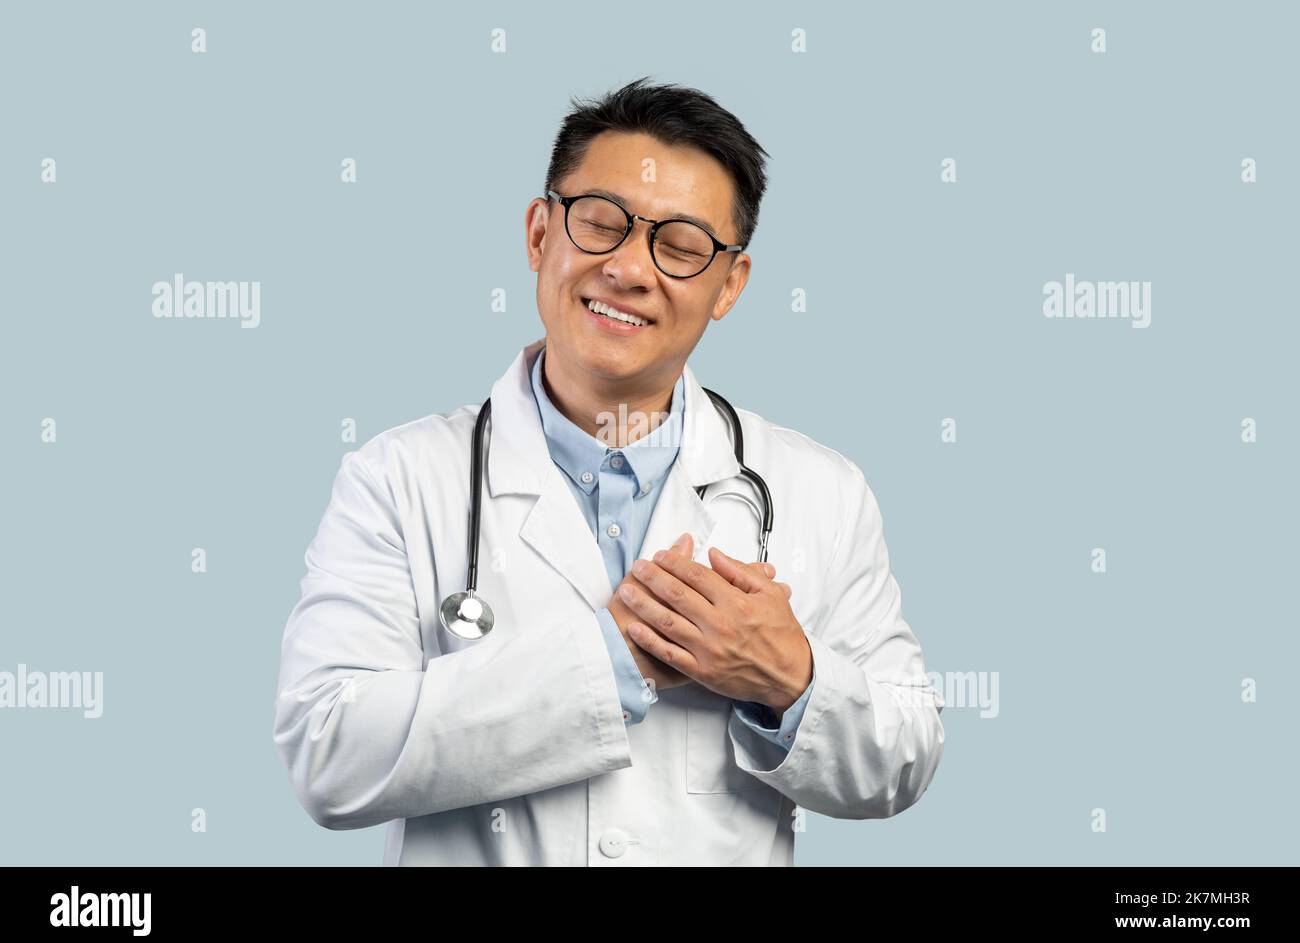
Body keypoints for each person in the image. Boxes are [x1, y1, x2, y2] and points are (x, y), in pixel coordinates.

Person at [273, 78, 944, 866]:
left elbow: (905, 755)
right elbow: (327, 755)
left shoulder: (820, 492)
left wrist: (788, 679)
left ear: (730, 284)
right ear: (538, 234)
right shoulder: (398, 478)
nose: (629, 269)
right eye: (601, 224)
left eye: (683, 246)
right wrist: (613, 660)